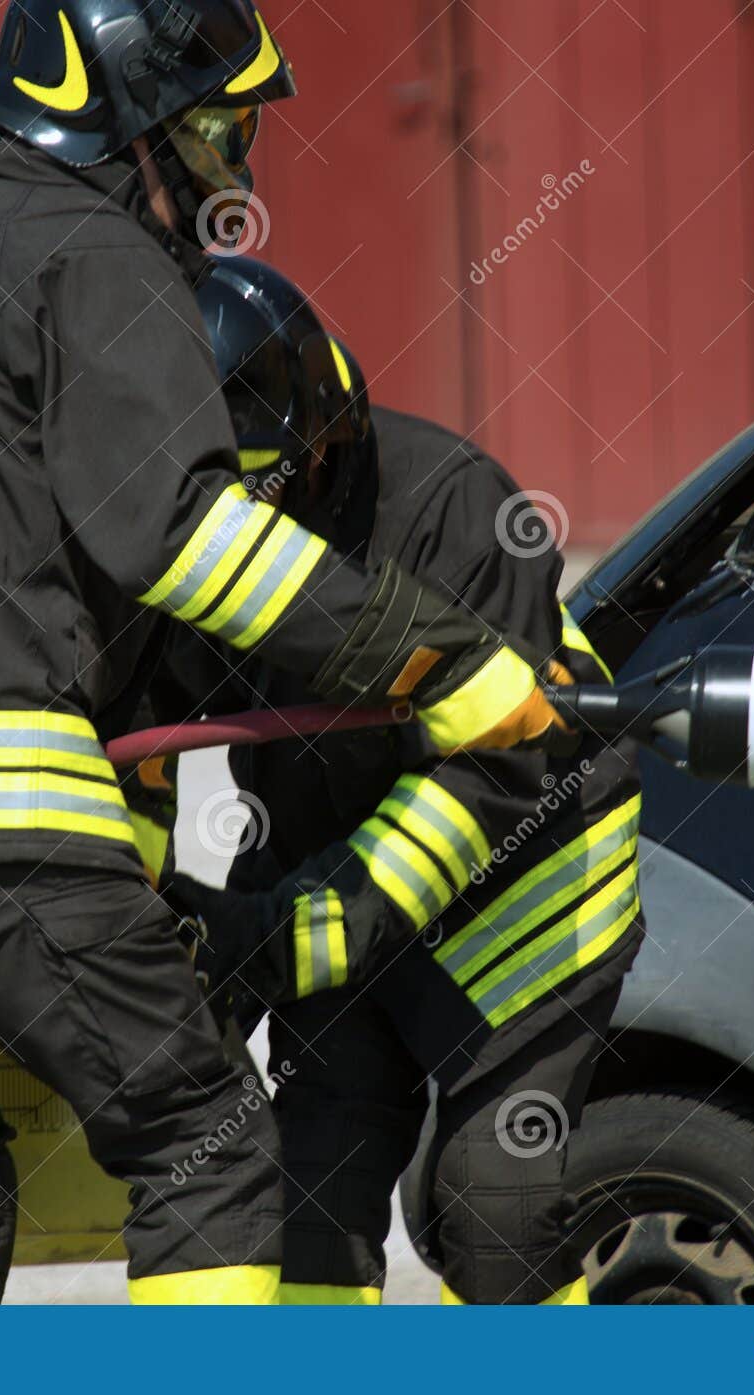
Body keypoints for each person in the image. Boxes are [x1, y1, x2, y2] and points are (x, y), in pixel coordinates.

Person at [0, 0, 569, 1306]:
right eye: (217, 126)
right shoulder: (103, 252)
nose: (230, 167)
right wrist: (441, 661)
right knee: (208, 1141)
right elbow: (178, 538)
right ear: (129, 107)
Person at [148, 257, 644, 1305]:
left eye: (295, 475)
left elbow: (498, 771)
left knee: (490, 1202)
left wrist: (275, 939)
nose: (267, 521)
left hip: (525, 887)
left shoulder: (456, 509)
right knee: (308, 1200)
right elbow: (144, 717)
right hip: (330, 869)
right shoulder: (186, 540)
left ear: (336, 424)